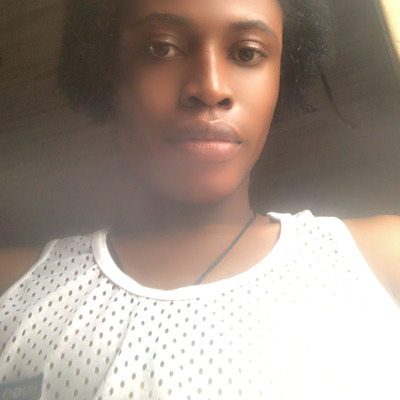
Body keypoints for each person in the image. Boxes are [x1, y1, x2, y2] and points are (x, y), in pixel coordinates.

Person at [0, 0, 399, 399]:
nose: (211, 88)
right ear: (109, 69)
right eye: (162, 48)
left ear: (282, 75)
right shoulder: (13, 288)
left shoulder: (382, 259)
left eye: (248, 53)